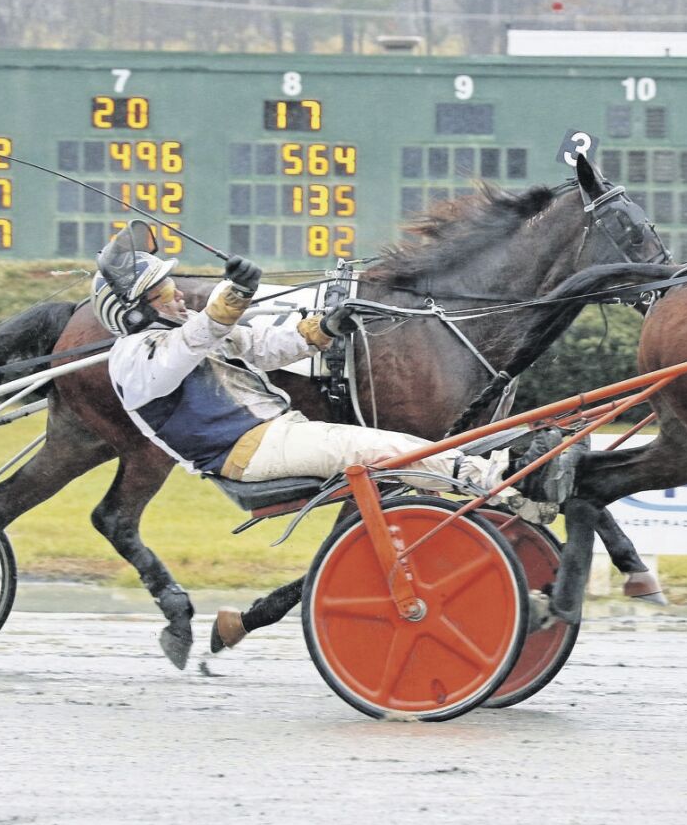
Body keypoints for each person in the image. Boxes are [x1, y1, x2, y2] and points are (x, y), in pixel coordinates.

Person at [91, 234, 537, 665]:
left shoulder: (187, 331)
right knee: (384, 449)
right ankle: (497, 480)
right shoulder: (133, 358)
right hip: (248, 451)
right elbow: (184, 350)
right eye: (164, 292)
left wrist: (322, 329)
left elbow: (264, 347)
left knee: (387, 451)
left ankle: (489, 478)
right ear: (133, 314)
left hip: (277, 433)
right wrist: (231, 297)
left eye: (171, 287)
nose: (177, 297)